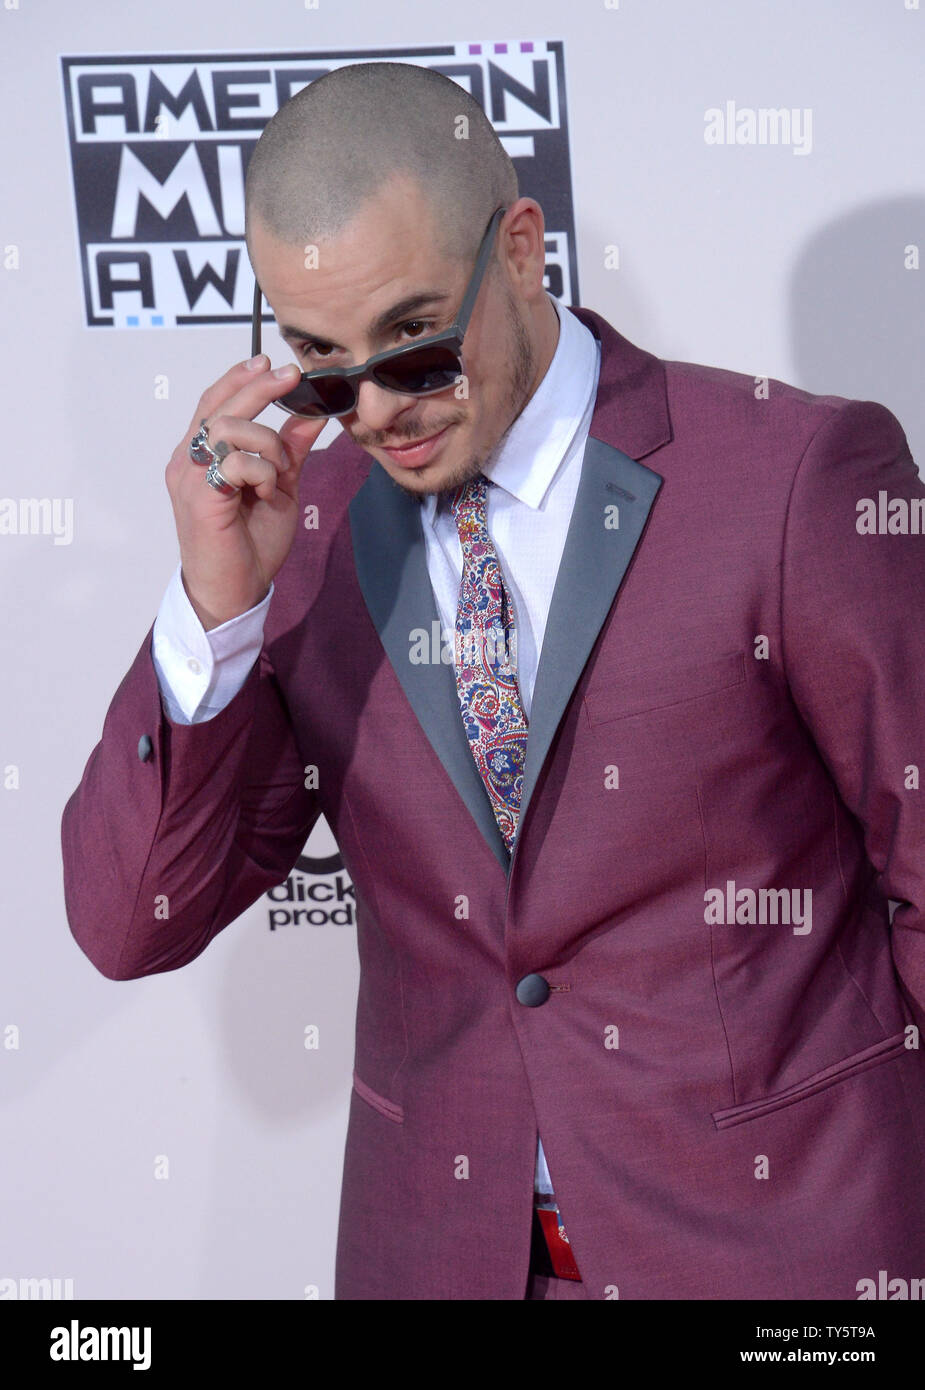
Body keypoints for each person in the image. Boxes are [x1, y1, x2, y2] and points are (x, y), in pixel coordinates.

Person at [61, 61, 925, 1301]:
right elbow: (129, 921)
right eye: (318, 365)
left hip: (778, 1269)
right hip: (435, 1262)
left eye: (415, 347)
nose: (374, 409)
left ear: (519, 249)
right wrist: (216, 609)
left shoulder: (790, 478)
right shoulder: (295, 533)